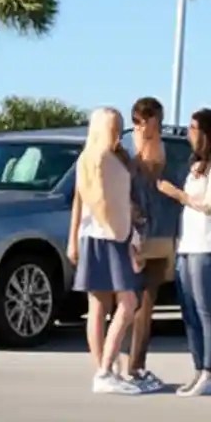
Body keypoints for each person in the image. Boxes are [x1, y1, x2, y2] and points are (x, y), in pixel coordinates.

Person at [66, 107, 145, 395]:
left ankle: (105, 371)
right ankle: (104, 370)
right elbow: (85, 200)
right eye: (113, 126)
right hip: (105, 236)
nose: (117, 132)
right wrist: (74, 238)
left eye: (119, 126)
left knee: (107, 306)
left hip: (112, 234)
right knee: (121, 303)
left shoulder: (110, 157)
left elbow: (119, 199)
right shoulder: (93, 158)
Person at [157, 108, 211, 397]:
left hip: (207, 247)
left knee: (205, 310)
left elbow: (210, 205)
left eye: (193, 128)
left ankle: (210, 371)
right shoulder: (197, 166)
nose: (189, 133)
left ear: (207, 133)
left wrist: (177, 194)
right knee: (188, 311)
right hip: (187, 246)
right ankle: (198, 368)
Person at [122, 96, 182, 393]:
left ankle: (135, 365)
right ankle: (125, 366)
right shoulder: (128, 149)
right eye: (143, 120)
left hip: (157, 234)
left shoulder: (163, 149)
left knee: (145, 302)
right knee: (130, 302)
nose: (146, 126)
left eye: (150, 119)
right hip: (134, 235)